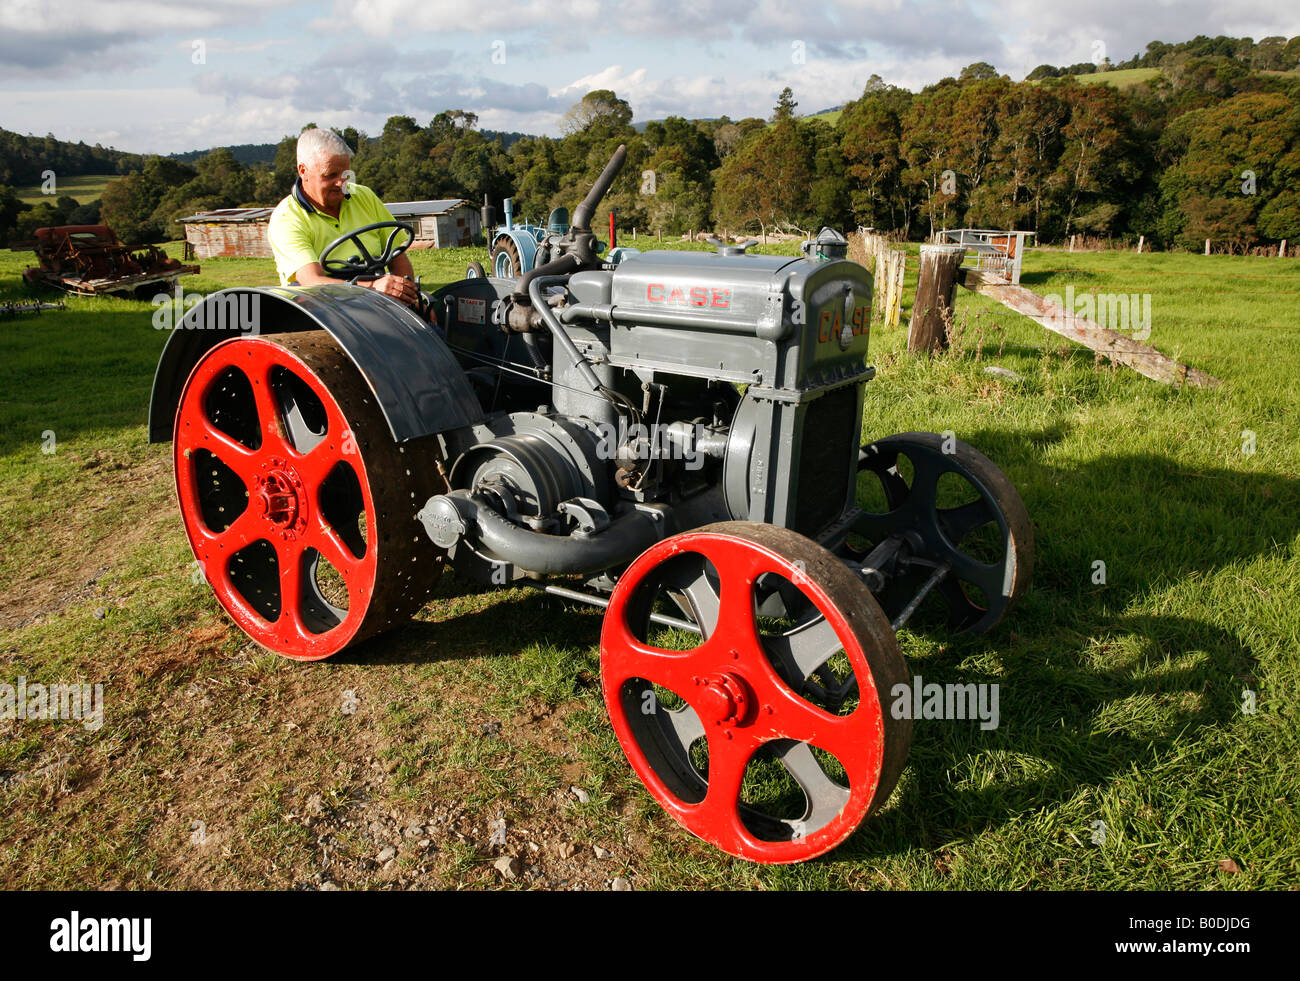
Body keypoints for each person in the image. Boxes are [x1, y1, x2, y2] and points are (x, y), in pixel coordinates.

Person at [267, 128, 419, 308]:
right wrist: (372, 288)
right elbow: (311, 280)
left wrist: (409, 300)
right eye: (330, 175)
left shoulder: (364, 197)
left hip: (376, 303)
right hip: (322, 310)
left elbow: (397, 256)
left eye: (345, 174)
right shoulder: (287, 218)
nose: (341, 183)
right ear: (303, 171)